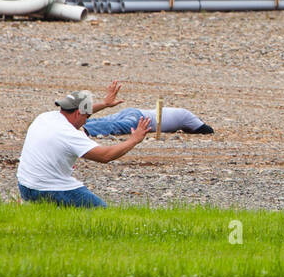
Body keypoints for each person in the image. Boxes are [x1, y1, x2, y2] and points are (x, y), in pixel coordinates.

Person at [16, 87, 150, 208]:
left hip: (25, 185)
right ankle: (42, 203)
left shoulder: (45, 117)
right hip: (47, 189)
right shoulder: (69, 134)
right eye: (87, 116)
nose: (86, 120)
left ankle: (32, 204)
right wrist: (134, 140)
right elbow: (105, 156)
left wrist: (104, 104)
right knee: (102, 212)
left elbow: (81, 112)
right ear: (78, 113)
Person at [83, 83, 213, 136]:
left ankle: (76, 124)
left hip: (135, 111)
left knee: (106, 119)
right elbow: (207, 130)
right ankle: (85, 130)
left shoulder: (182, 113)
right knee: (114, 126)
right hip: (142, 120)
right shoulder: (188, 118)